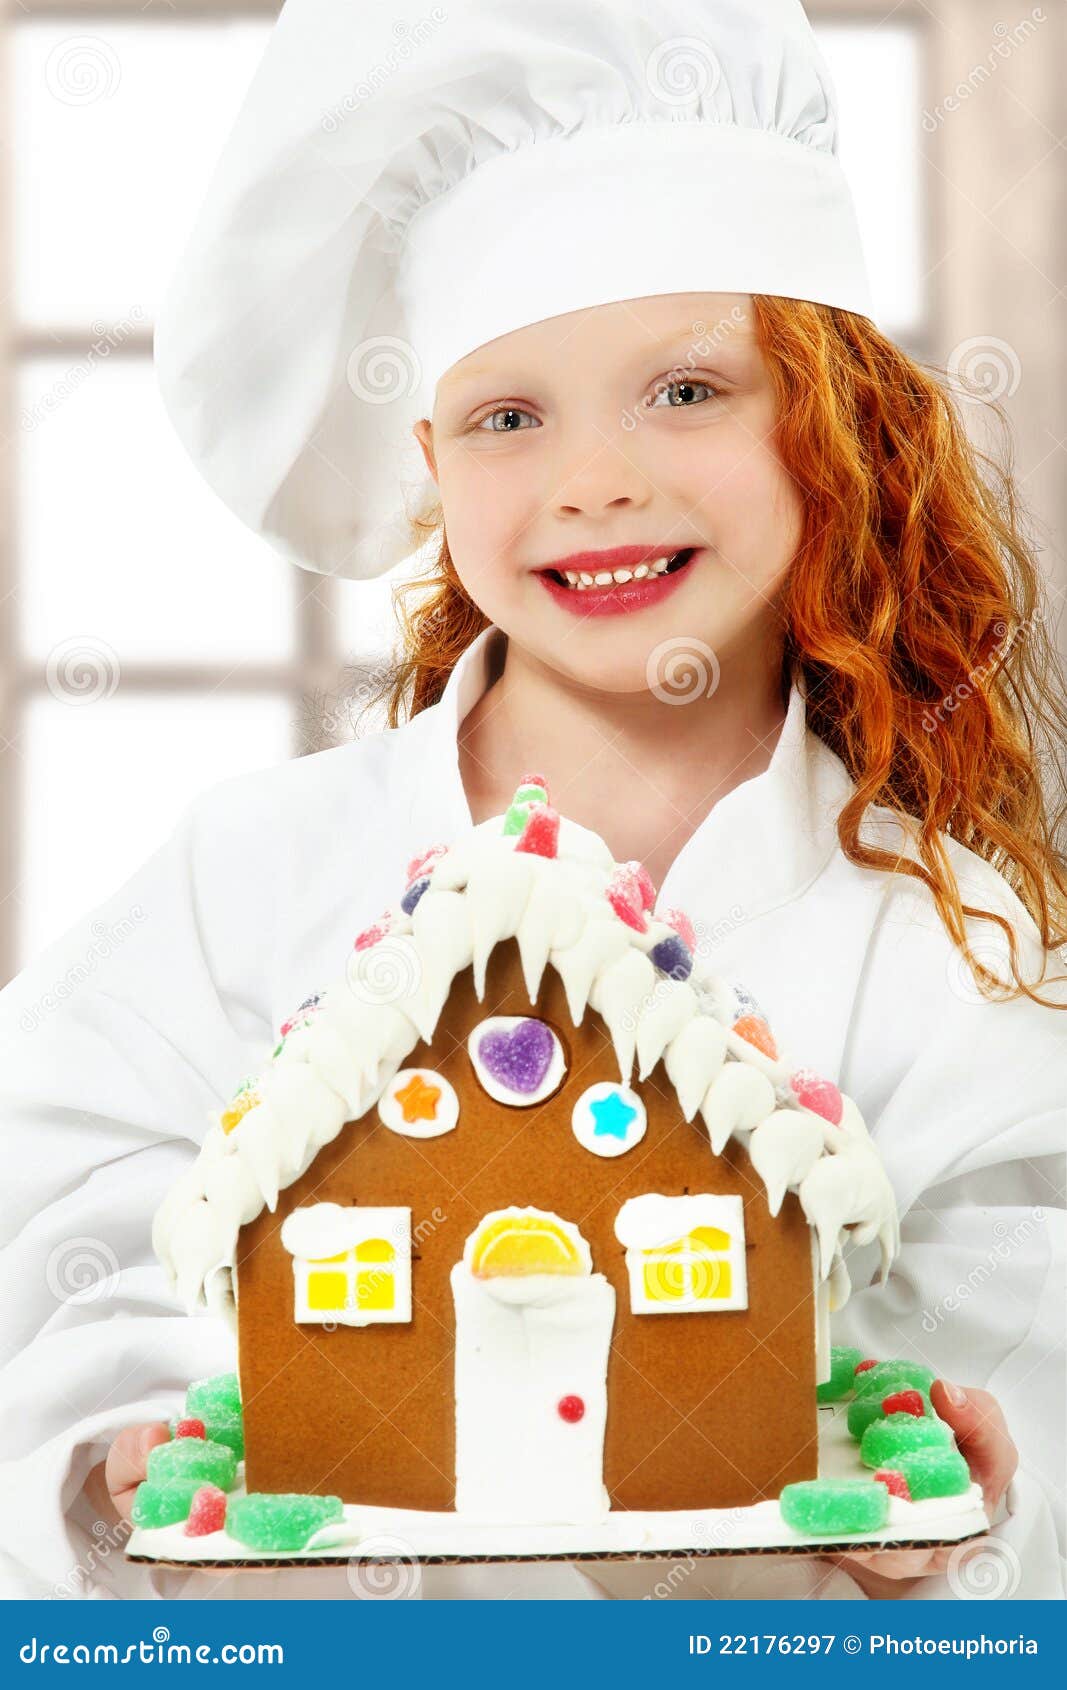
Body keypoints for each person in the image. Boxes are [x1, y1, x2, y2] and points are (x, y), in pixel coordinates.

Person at [1, 0, 1064, 1601]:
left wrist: (965, 1519)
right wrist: (117, 1461)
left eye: (687, 389)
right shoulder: (243, 879)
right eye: (510, 416)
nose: (594, 480)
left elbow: (1027, 1421)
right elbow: (57, 1266)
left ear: (829, 414)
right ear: (430, 458)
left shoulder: (962, 945)